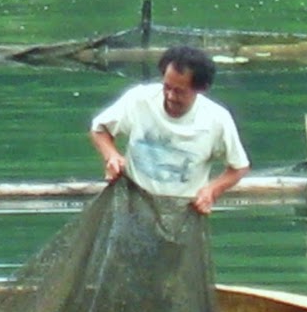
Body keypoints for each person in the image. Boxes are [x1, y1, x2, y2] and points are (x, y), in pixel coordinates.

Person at [90, 44, 250, 213]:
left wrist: (211, 190)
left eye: (180, 92)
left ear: (200, 89)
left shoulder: (216, 119)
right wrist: (112, 156)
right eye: (167, 87)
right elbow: (99, 129)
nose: (170, 96)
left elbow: (238, 167)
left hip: (183, 213)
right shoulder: (140, 100)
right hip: (132, 207)